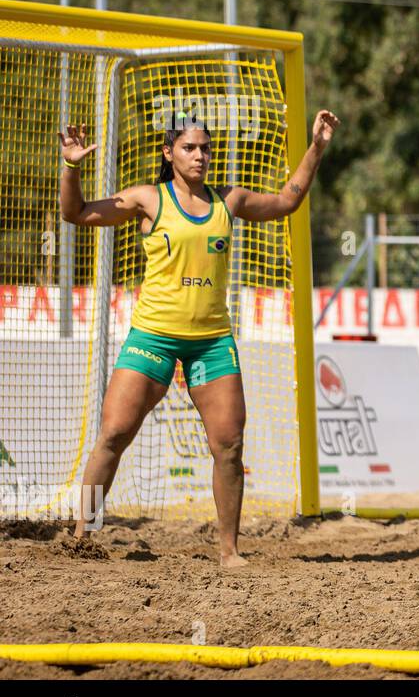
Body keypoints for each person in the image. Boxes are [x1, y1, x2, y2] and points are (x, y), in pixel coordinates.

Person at [59, 109, 340, 566]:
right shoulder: (149, 199)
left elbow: (288, 201)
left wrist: (317, 146)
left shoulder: (229, 200)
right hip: (153, 335)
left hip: (211, 340)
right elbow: (75, 213)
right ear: (169, 153)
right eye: (190, 147)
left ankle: (229, 551)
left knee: (229, 444)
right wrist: (71, 165)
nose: (200, 156)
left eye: (206, 148)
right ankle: (83, 534)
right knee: (113, 434)